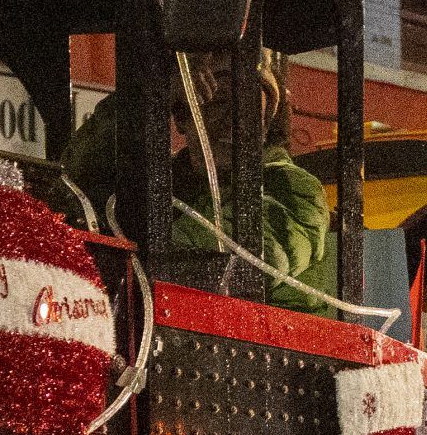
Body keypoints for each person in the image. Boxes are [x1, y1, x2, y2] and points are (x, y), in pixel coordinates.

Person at [64, 48, 336, 317]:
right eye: (217, 104)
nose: (235, 122)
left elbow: (222, 264)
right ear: (182, 118)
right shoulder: (165, 181)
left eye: (251, 110)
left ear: (265, 122)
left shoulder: (295, 190)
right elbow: (76, 178)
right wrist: (152, 96)